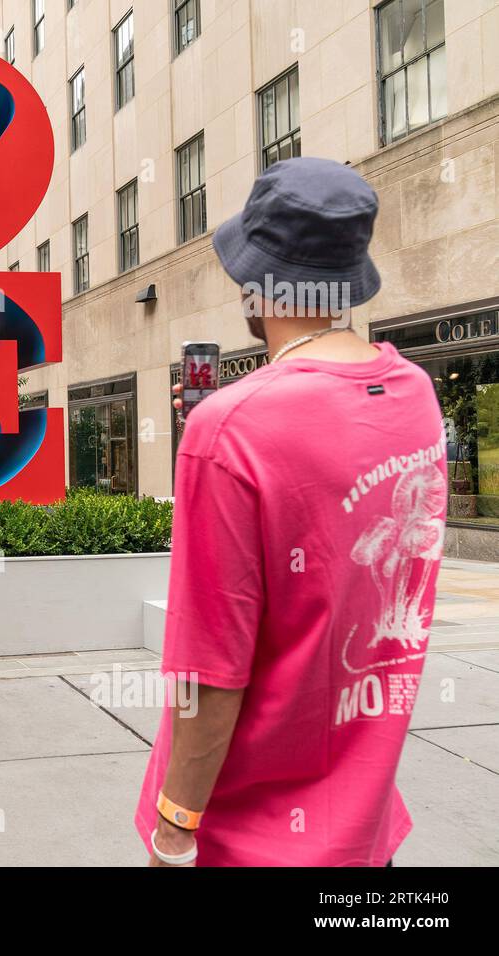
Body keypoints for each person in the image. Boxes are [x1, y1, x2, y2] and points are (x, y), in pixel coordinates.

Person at [138, 157, 446, 867]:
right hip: (367, 831)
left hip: (248, 842)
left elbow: (212, 671)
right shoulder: (417, 395)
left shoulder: (228, 430)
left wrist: (175, 830)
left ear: (256, 283)